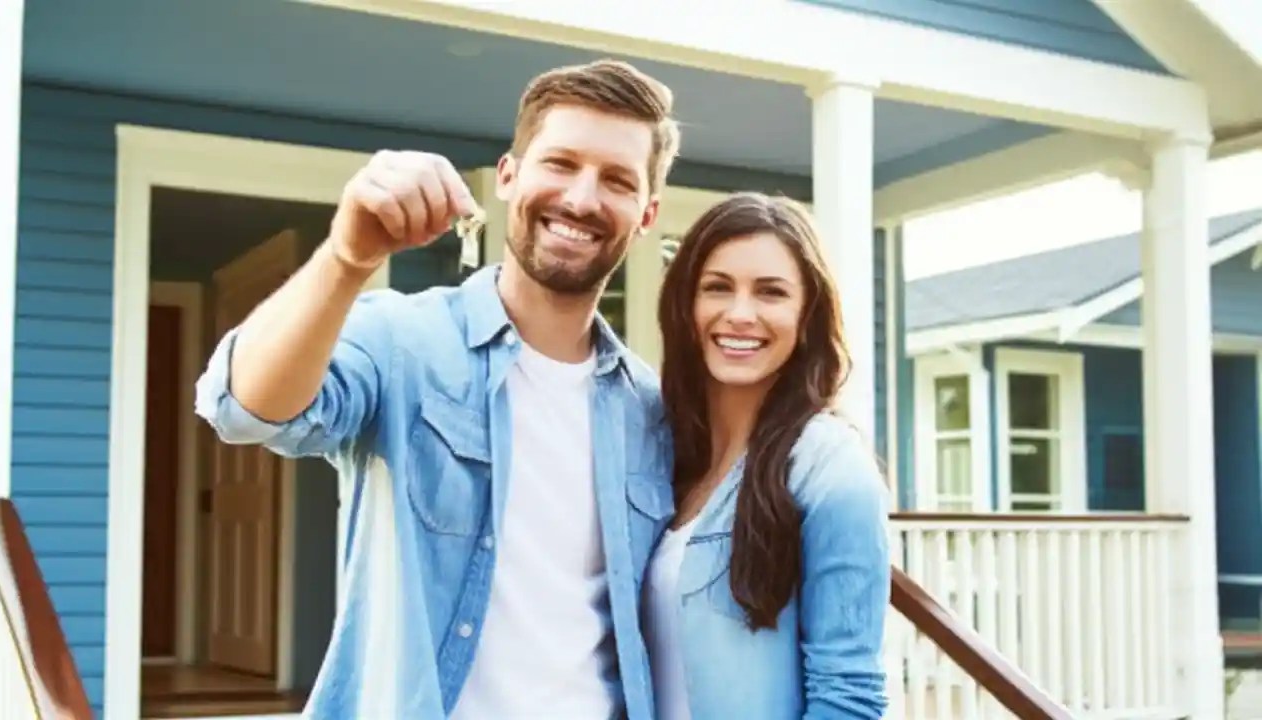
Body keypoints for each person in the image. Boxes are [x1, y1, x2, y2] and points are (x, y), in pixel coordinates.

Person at [194, 59, 681, 720]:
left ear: (646, 214)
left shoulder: (652, 412)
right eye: (561, 163)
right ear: (509, 176)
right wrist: (347, 258)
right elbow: (243, 410)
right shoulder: (403, 340)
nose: (582, 198)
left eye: (617, 180)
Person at [643, 192, 891, 719]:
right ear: (686, 306)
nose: (740, 314)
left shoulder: (828, 464)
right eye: (717, 288)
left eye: (771, 293)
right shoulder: (660, 451)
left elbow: (849, 697)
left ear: (806, 317)